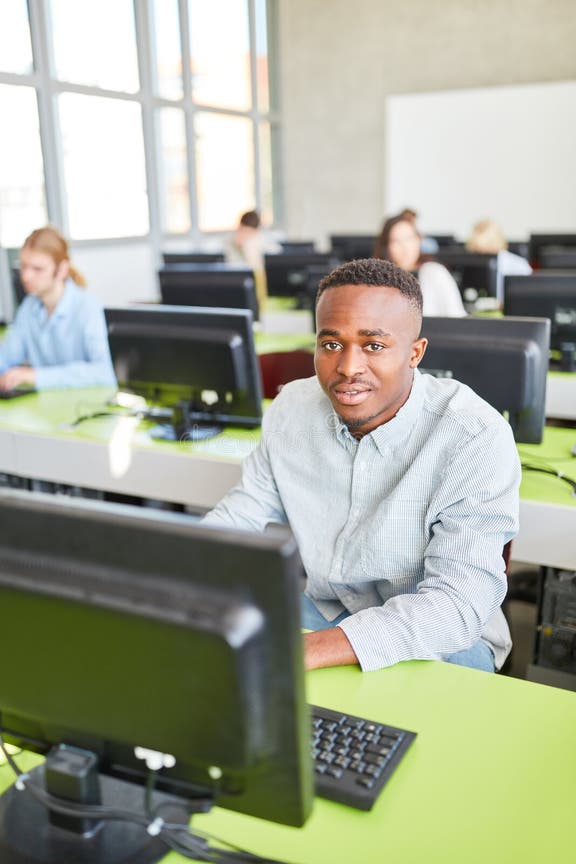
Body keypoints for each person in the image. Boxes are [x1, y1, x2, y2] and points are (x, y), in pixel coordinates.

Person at [204, 258, 520, 674]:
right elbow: (239, 515)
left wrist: (308, 651)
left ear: (415, 353)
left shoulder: (473, 435)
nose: (348, 368)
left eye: (374, 345)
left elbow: (454, 606)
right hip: (323, 610)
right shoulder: (292, 408)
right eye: (331, 344)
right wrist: (166, 576)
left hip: (443, 639)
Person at [0, 226, 116, 392]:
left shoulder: (87, 307)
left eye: (37, 269)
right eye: (23, 267)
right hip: (43, 406)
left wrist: (36, 376)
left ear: (61, 270)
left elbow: (103, 373)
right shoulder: (28, 307)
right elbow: (7, 356)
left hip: (84, 406)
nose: (26, 276)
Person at [374, 213, 466, 316]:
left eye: (409, 238)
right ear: (386, 247)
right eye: (396, 241)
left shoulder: (434, 271)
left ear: (418, 240)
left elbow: (457, 315)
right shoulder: (380, 280)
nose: (405, 247)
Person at [226, 209, 280, 313]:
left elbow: (277, 253)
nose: (245, 236)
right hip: (236, 283)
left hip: (259, 281)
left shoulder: (259, 240)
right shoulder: (230, 242)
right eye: (243, 231)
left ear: (255, 232)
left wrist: (249, 244)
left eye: (249, 233)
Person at [466, 218, 532, 301]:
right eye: (478, 252)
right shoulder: (469, 266)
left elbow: (528, 298)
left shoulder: (519, 265)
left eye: (488, 251)